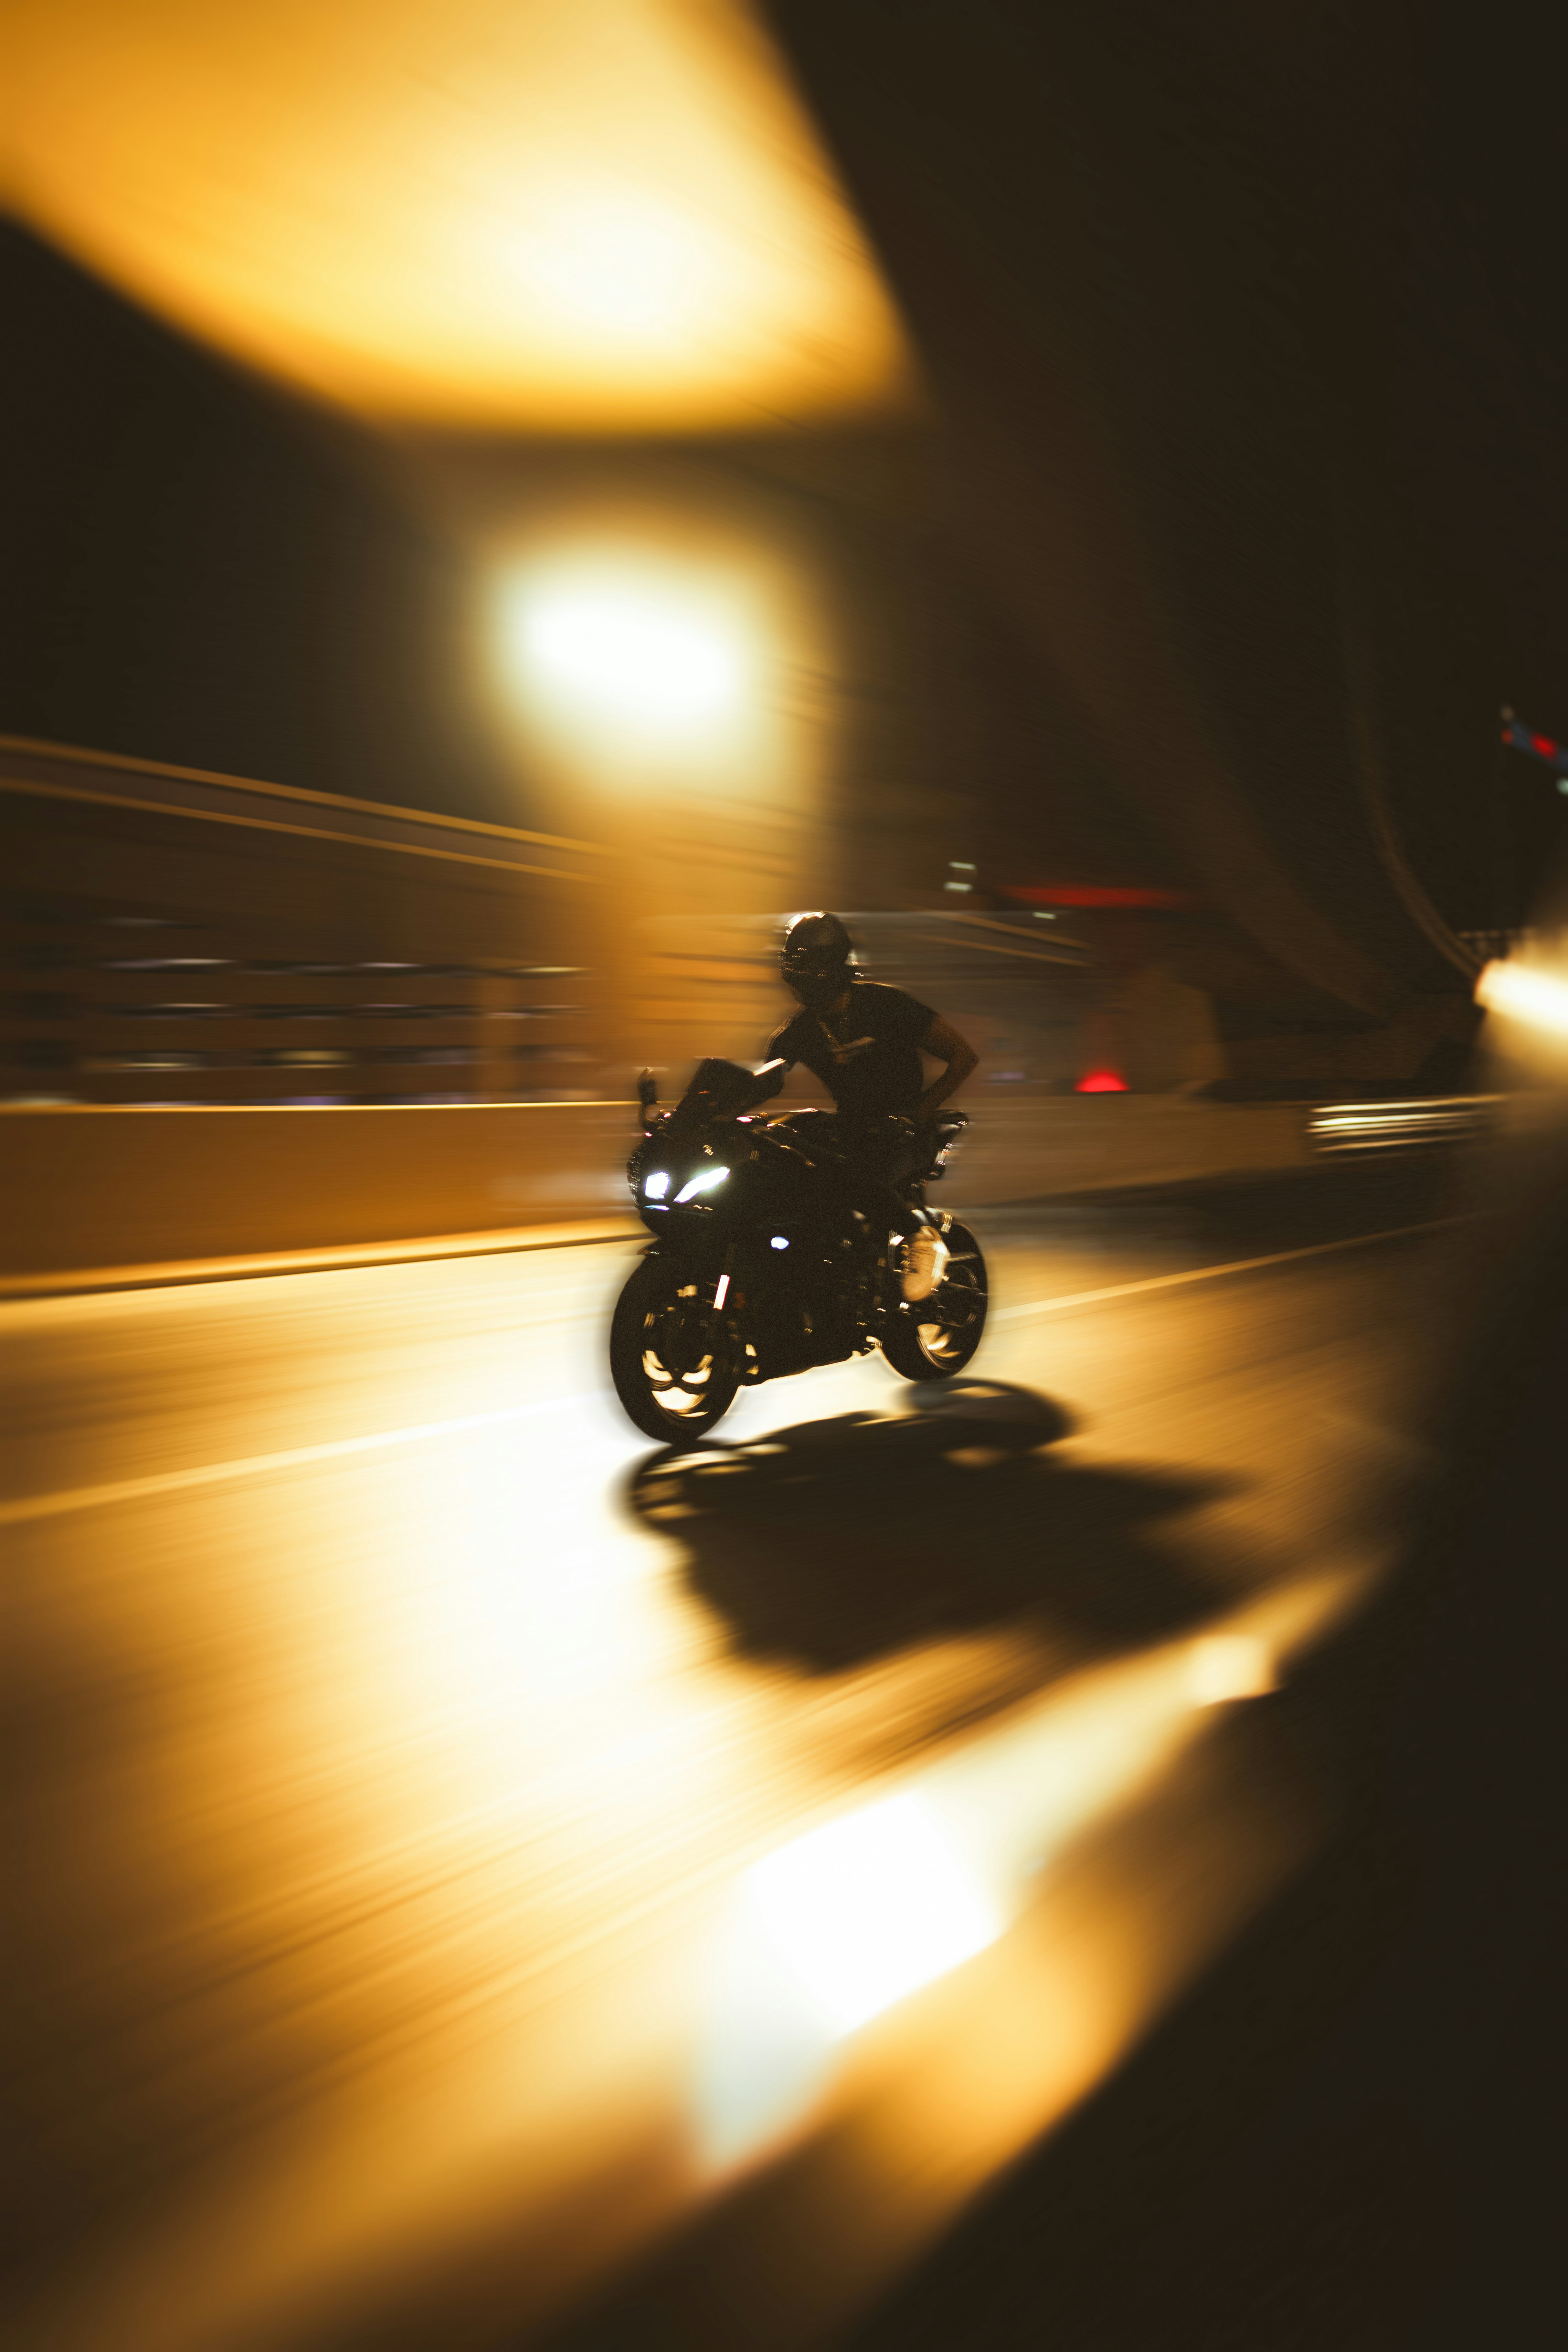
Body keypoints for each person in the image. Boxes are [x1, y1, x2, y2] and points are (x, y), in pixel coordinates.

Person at [757, 911, 979, 1300]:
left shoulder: (888, 1006)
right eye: (793, 961)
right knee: (782, 1143)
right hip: (854, 1127)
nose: (799, 971)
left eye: (807, 961)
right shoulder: (798, 1031)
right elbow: (760, 1084)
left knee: (855, 1175)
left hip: (907, 1131)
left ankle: (921, 1238)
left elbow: (963, 1056)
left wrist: (919, 1113)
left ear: (830, 964)